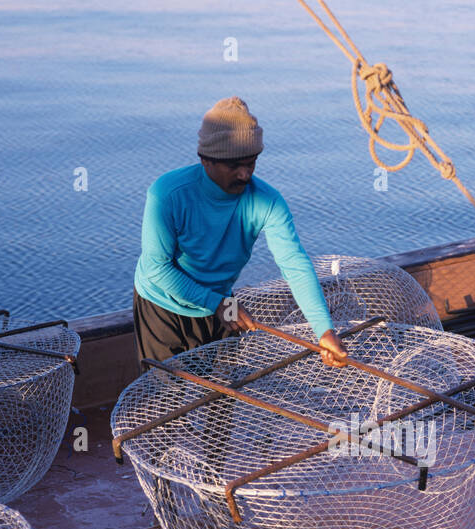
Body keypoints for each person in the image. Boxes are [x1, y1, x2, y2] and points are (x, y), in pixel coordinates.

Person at [133, 96, 348, 368]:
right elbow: (156, 268)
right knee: (165, 395)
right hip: (162, 302)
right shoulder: (167, 194)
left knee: (225, 392)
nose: (245, 175)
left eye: (251, 163)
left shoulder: (268, 201)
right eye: (234, 166)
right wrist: (217, 303)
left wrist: (324, 330)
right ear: (205, 160)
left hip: (222, 298)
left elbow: (294, 264)